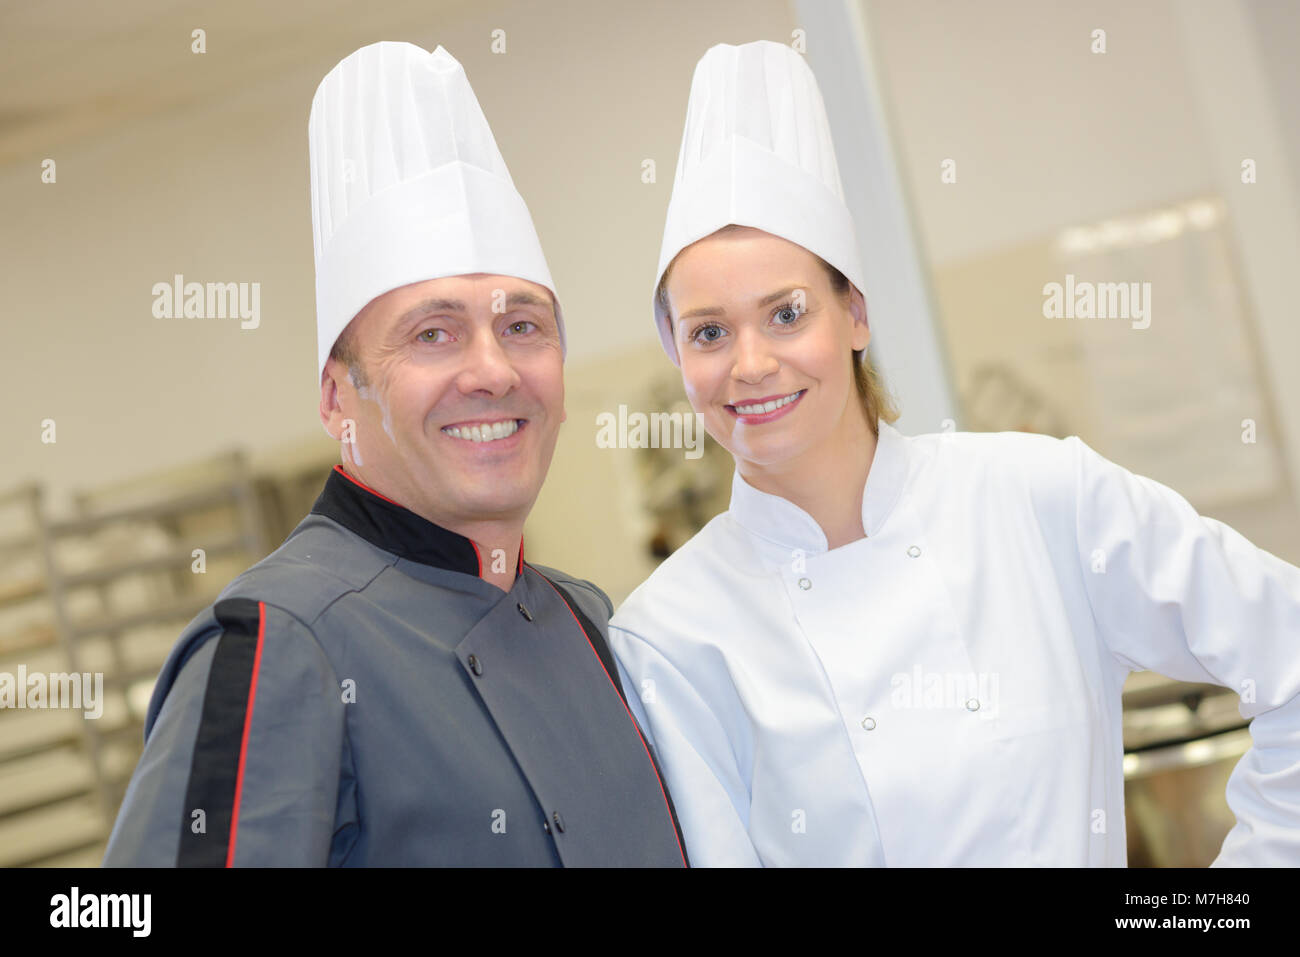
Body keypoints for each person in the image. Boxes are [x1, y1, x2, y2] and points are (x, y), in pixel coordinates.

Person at [607, 39, 1300, 867]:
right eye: (709, 332)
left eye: (787, 312)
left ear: (855, 314)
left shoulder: (1042, 498)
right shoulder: (668, 635)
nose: (750, 363)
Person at [104, 41, 686, 867]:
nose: (492, 370)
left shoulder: (586, 620)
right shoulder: (281, 644)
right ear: (337, 397)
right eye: (433, 333)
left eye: (522, 325)